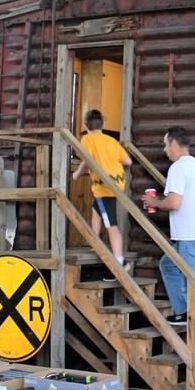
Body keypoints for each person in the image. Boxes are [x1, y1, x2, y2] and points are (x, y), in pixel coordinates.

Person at [142, 126, 195, 356]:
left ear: (174, 144)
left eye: (165, 145)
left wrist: (154, 203)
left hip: (190, 237)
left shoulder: (178, 168)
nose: (165, 150)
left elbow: (173, 203)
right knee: (168, 265)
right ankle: (183, 312)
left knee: (193, 286)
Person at [72, 110, 132, 281]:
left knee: (111, 225)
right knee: (96, 211)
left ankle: (120, 261)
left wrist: (77, 174)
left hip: (104, 186)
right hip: (116, 183)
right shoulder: (111, 140)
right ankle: (95, 243)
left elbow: (86, 159)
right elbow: (128, 161)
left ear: (85, 125)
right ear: (102, 125)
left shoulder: (87, 139)